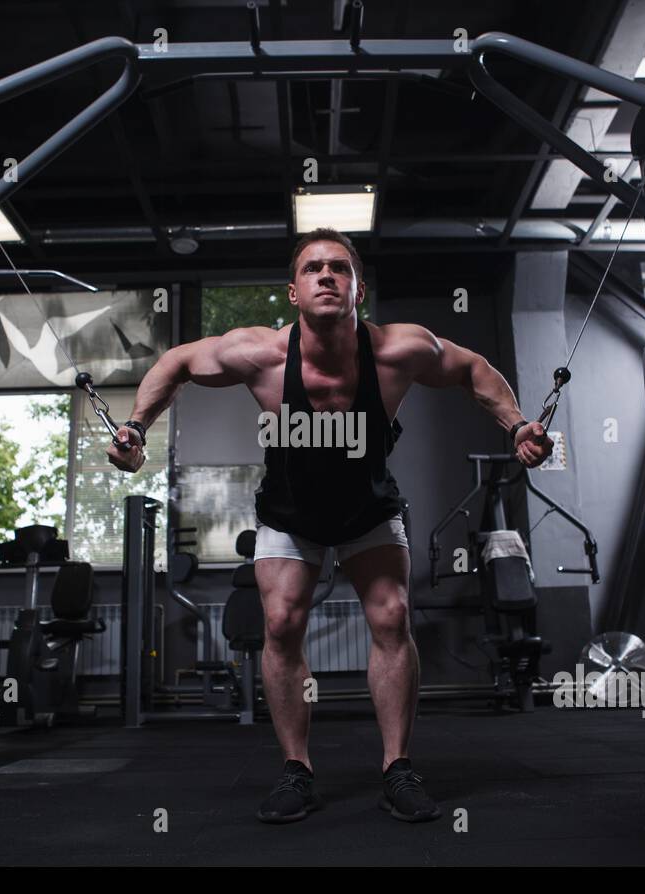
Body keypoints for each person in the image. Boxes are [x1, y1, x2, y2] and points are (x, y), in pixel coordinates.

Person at [107, 228, 553, 824]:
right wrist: (136, 427)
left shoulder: (399, 349)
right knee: (281, 623)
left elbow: (472, 369)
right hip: (290, 515)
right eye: (313, 268)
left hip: (369, 508)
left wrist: (518, 425)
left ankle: (397, 767)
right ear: (293, 291)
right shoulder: (258, 352)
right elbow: (177, 362)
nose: (325, 275)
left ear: (358, 288)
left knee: (392, 617)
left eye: (339, 268)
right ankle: (297, 769)